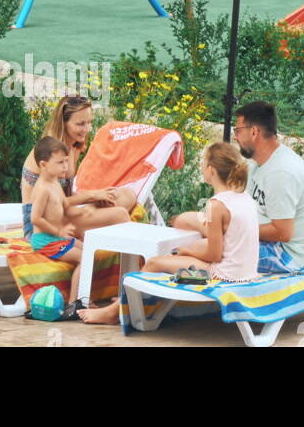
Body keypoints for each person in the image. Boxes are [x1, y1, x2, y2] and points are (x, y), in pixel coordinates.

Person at [78, 141, 259, 325]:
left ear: (211, 170)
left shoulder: (216, 204)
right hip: (246, 272)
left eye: (203, 164)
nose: (202, 168)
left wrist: (188, 252)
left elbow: (214, 254)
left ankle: (112, 313)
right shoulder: (245, 199)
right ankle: (126, 301)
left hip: (224, 276)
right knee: (182, 252)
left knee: (154, 264)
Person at [21, 96, 133, 237]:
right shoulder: (49, 153)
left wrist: (97, 199)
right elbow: (54, 201)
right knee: (119, 215)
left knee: (126, 195)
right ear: (64, 123)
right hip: (43, 225)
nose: (86, 129)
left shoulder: (73, 148)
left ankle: (91, 220)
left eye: (89, 123)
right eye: (80, 124)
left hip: (63, 212)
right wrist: (91, 196)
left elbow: (65, 196)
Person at [232, 101, 304, 274]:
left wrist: (235, 230)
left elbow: (283, 232)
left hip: (284, 255)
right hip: (265, 242)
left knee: (213, 249)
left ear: (254, 132)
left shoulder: (282, 172)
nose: (235, 137)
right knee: (202, 233)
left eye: (238, 131)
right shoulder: (260, 164)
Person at [26, 136, 85, 301]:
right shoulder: (43, 188)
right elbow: (35, 218)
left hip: (56, 238)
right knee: (85, 258)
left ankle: (85, 296)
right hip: (45, 241)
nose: (65, 166)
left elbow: (65, 206)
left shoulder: (55, 183)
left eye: (66, 161)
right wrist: (59, 232)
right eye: (60, 162)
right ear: (44, 165)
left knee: (89, 249)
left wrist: (87, 212)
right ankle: (75, 302)